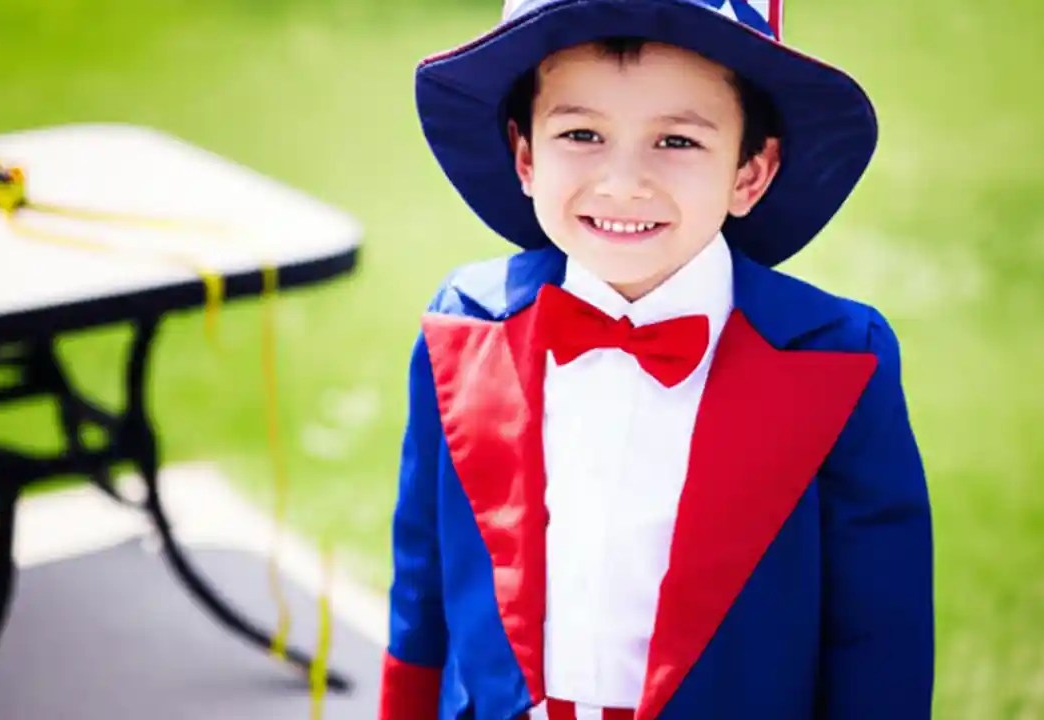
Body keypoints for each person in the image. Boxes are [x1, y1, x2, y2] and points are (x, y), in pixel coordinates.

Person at [380, 0, 933, 717]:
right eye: (581, 133)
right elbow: (421, 594)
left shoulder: (837, 358)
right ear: (525, 156)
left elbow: (878, 638)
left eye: (675, 142)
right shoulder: (464, 325)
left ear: (751, 172)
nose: (622, 183)